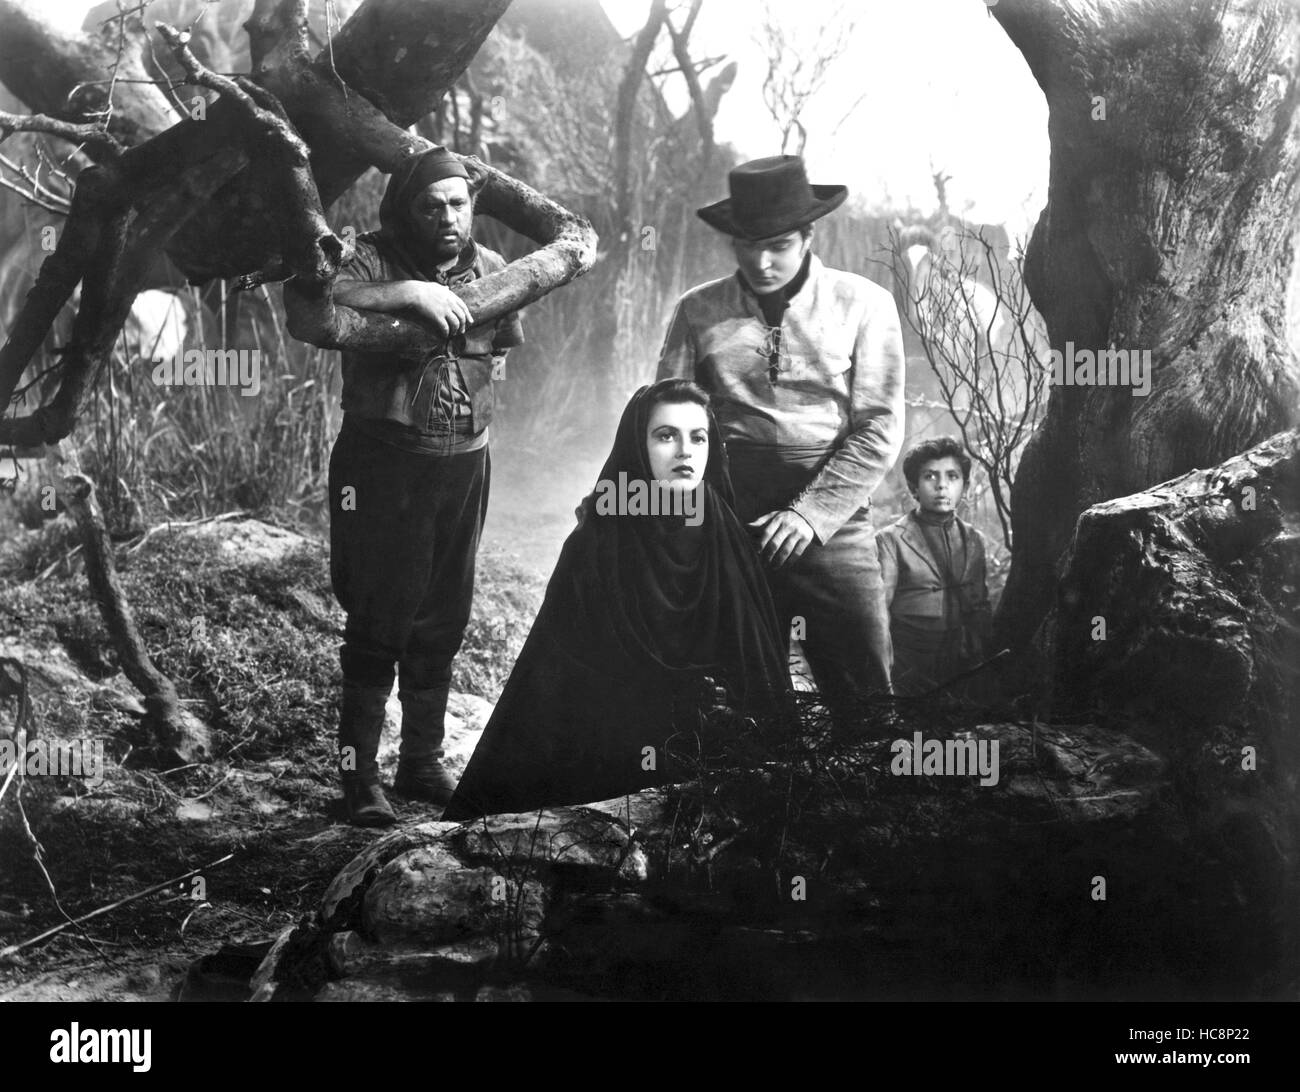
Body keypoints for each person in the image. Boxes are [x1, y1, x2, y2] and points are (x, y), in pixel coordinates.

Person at [442, 379, 791, 821]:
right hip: (613, 741)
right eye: (666, 436)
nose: (685, 451)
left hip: (709, 738)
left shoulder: (726, 535)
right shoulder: (600, 540)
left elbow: (754, 666)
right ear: (637, 447)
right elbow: (565, 677)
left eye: (698, 437)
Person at [656, 155, 906, 722]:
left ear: (809, 235)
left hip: (832, 524)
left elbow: (879, 428)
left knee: (867, 700)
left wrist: (810, 515)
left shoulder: (864, 304)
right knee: (739, 702)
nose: (762, 261)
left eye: (779, 244)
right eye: (746, 245)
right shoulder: (699, 309)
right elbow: (668, 417)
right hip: (728, 519)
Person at [326, 147, 524, 826]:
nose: (446, 217)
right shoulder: (371, 258)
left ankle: (420, 761)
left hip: (465, 461)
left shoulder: (492, 269)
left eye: (458, 203)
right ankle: (358, 779)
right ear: (405, 209)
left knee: (444, 612)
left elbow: (502, 345)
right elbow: (322, 300)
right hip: (386, 463)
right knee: (381, 614)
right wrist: (409, 294)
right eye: (430, 205)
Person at [875, 436, 992, 696]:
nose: (942, 486)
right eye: (930, 477)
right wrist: (886, 677)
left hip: (962, 664)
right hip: (909, 665)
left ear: (966, 486)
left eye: (952, 477)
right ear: (914, 487)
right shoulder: (891, 540)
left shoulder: (974, 540)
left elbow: (981, 605)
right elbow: (878, 616)